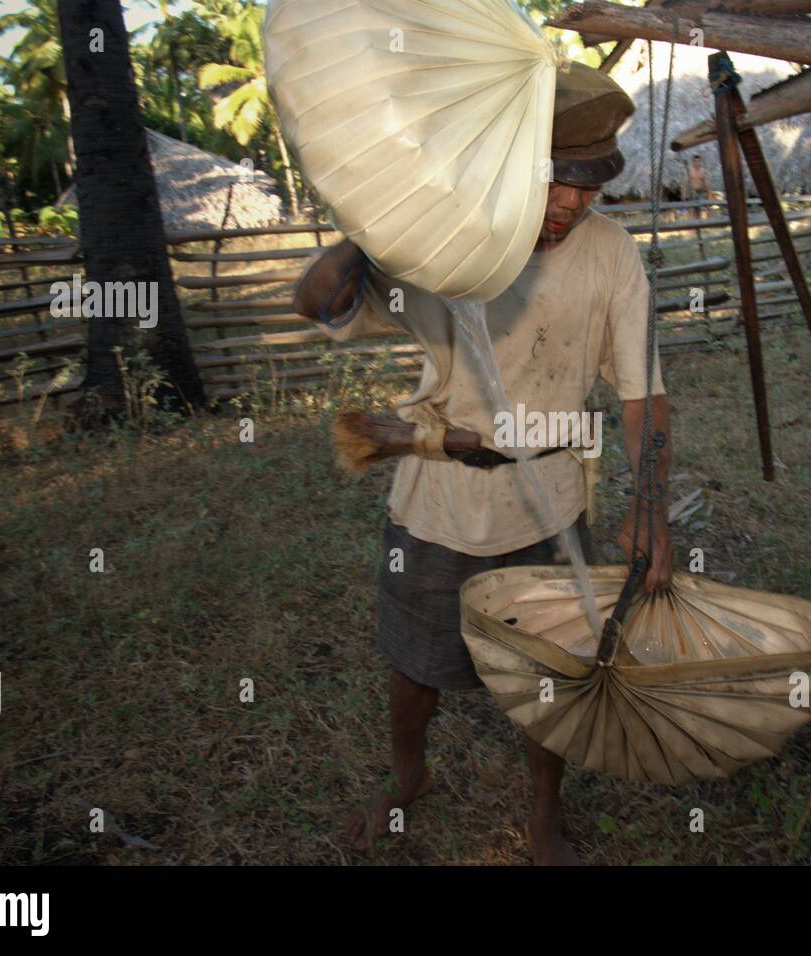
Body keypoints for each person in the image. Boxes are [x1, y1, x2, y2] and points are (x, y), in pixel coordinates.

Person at [292, 64, 674, 866]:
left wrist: (651, 505)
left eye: (589, 185)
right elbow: (316, 299)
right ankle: (408, 777)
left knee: (550, 673)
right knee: (415, 667)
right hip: (435, 504)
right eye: (556, 182)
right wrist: (373, 221)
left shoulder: (610, 256)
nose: (572, 204)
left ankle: (544, 815)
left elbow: (642, 398)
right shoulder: (439, 247)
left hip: (549, 506)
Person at [681, 155, 711, 219]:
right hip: (691, 192)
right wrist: (684, 194)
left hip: (700, 192)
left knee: (700, 209)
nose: (697, 163)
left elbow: (705, 182)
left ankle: (699, 225)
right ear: (693, 162)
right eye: (696, 161)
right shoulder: (689, 171)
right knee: (691, 209)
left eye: (698, 161)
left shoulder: (702, 171)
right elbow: (684, 183)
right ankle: (692, 224)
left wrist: (708, 193)